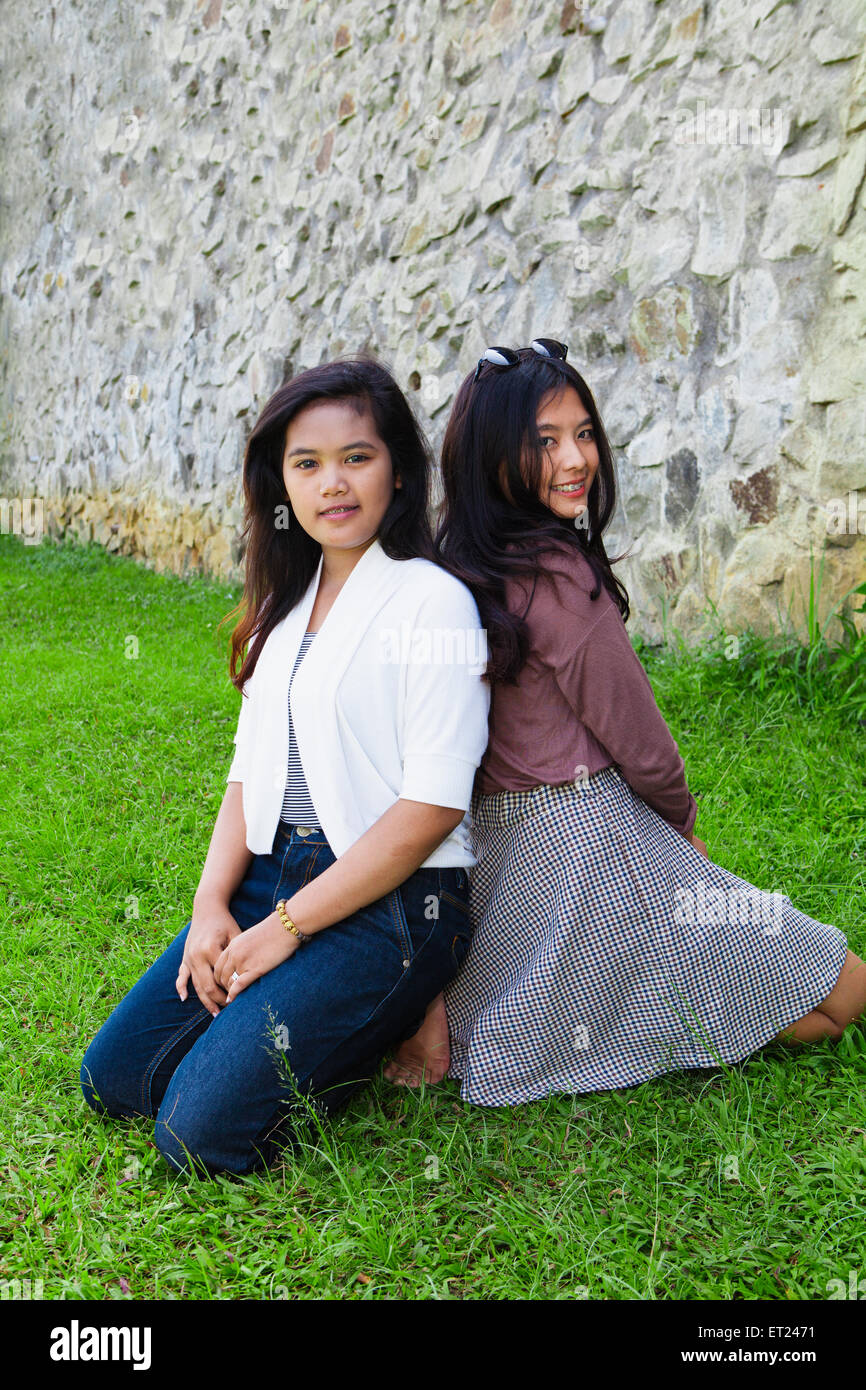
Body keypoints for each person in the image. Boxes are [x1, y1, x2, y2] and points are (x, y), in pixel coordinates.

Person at [385, 338, 866, 1104]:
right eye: (544, 441)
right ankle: (650, 1026)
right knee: (845, 995)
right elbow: (638, 737)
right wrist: (681, 826)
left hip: (503, 871)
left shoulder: (450, 575)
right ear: (491, 454)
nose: (576, 458)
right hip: (596, 841)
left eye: (583, 433)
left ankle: (624, 1016)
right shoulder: (556, 573)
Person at [80, 356, 490, 1174]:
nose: (332, 484)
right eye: (307, 464)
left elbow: (433, 807)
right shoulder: (282, 611)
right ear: (282, 485)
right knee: (115, 1082)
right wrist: (210, 906)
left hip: (396, 906)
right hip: (274, 874)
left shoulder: (431, 600)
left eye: (357, 458)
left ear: (399, 473)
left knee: (200, 1138)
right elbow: (248, 773)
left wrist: (286, 932)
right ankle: (334, 1014)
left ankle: (388, 1011)